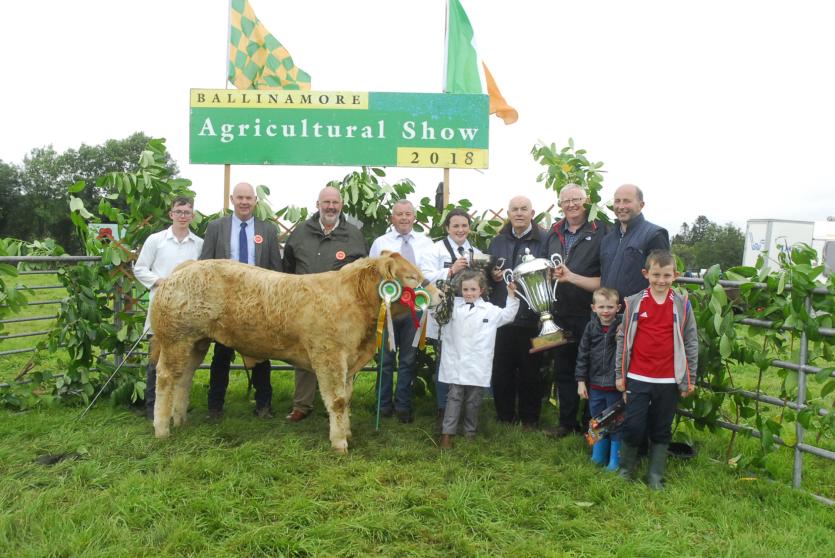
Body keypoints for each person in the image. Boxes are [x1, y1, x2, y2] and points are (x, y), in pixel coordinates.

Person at [282, 186, 368, 422]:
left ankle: (338, 402)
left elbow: (362, 273)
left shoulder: (353, 234)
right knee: (305, 353)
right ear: (317, 204)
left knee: (339, 356)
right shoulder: (300, 232)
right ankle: (302, 404)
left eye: (335, 202)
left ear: (341, 205)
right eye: (326, 202)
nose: (330, 206)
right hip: (304, 308)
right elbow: (287, 267)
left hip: (341, 311)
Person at [200, 182, 283, 419]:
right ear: (231, 199)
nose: (244, 202)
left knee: (260, 354)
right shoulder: (216, 227)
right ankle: (215, 407)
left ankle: (264, 405)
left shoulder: (267, 230)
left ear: (256, 200)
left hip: (258, 304)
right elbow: (205, 265)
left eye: (249, 198)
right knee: (221, 356)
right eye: (240, 198)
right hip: (225, 305)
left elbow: (275, 269)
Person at [615, 250, 698, 489]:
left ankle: (655, 476)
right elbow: (622, 339)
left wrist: (688, 378)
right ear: (646, 274)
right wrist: (620, 374)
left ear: (676, 276)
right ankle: (625, 470)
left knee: (662, 427)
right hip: (638, 376)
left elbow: (691, 341)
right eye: (656, 275)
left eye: (666, 275)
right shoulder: (634, 302)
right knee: (633, 425)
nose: (661, 280)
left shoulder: (682, 304)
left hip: (668, 379)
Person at [543, 184, 609, 437]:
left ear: (587, 201)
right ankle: (566, 422)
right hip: (559, 313)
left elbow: (606, 278)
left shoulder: (602, 232)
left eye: (576, 199)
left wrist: (572, 277)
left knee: (592, 368)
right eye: (566, 200)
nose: (571, 204)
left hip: (590, 314)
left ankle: (590, 423)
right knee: (563, 368)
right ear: (560, 204)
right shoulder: (554, 232)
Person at [134, 196, 203, 420]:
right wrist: (161, 282)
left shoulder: (199, 244)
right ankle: (153, 407)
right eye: (179, 211)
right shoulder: (156, 240)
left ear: (192, 216)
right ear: (171, 214)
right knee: (157, 358)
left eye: (187, 212)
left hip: (187, 311)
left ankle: (176, 407)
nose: (183, 216)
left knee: (182, 359)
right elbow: (140, 268)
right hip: (161, 307)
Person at [437, 270, 519, 449]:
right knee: (454, 396)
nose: (469, 293)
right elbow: (437, 315)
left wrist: (512, 295)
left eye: (473, 289)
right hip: (456, 361)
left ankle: (469, 433)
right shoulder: (452, 307)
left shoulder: (489, 310)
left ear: (481, 290)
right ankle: (447, 434)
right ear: (460, 290)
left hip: (477, 362)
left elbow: (508, 315)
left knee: (474, 399)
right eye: (465, 289)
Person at [368, 199, 434, 423]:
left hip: (415, 311)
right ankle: (382, 404)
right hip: (388, 310)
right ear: (392, 218)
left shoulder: (426, 244)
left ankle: (403, 405)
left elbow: (429, 274)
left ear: (414, 218)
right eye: (399, 214)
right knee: (385, 360)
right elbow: (371, 273)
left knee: (408, 360)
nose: (404, 218)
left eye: (408, 214)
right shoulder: (380, 243)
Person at [487, 196, 547, 428]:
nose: (519, 213)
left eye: (524, 209)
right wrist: (492, 277)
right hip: (503, 315)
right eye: (515, 209)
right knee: (502, 369)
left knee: (531, 371)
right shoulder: (498, 241)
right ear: (508, 213)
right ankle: (504, 416)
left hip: (533, 316)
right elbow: (489, 276)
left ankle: (530, 418)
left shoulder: (544, 239)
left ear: (532, 213)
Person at [419, 207, 482, 427]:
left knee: (465, 359)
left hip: (469, 316)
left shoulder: (475, 251)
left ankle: (464, 408)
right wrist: (450, 270)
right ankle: (443, 407)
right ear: (447, 228)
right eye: (455, 225)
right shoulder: (435, 250)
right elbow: (424, 277)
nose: (460, 229)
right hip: (444, 314)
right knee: (444, 362)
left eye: (464, 225)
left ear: (469, 228)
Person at [575, 287, 622, 471]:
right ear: (593, 308)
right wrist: (581, 381)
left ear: (618, 308)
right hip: (595, 385)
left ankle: (615, 460)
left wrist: (623, 323)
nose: (605, 311)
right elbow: (582, 355)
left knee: (616, 422)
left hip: (615, 387)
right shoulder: (590, 327)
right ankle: (598, 455)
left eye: (610, 306)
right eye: (601, 306)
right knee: (596, 421)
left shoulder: (622, 327)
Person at [600, 184, 670, 302]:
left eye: (627, 201)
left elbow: (661, 280)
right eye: (617, 201)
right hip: (607, 316)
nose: (621, 206)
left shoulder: (654, 235)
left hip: (638, 316)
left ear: (641, 205)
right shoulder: (607, 239)